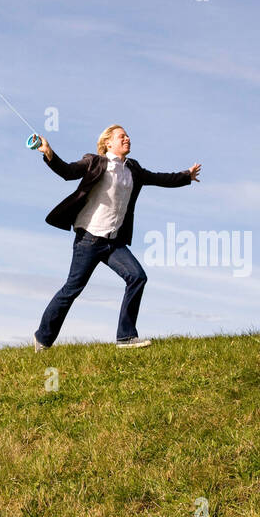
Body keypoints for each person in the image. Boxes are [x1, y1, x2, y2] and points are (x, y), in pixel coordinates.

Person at [33, 124, 201, 350]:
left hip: (113, 242)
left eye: (128, 136)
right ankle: (42, 339)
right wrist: (49, 153)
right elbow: (68, 172)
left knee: (137, 277)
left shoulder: (133, 169)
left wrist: (186, 176)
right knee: (72, 289)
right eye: (122, 136)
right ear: (108, 143)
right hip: (89, 239)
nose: (128, 138)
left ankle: (125, 336)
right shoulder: (94, 161)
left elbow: (159, 178)